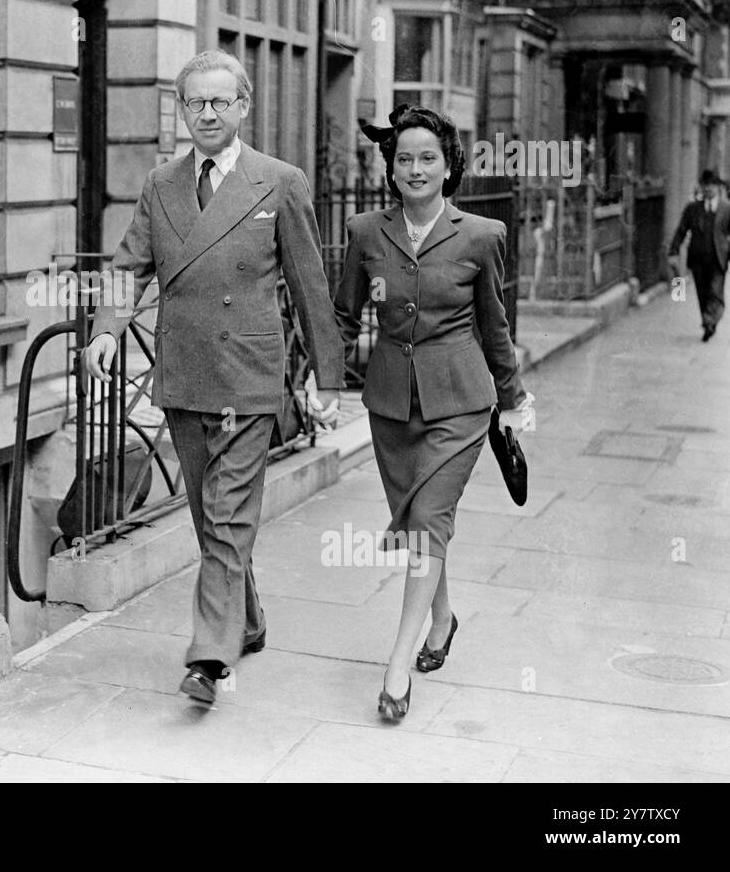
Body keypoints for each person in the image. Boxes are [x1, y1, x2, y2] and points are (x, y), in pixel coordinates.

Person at [84, 50, 344, 705]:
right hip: (183, 374)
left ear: (243, 107)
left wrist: (329, 377)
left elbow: (313, 288)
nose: (206, 113)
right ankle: (248, 622)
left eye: (220, 102)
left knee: (227, 520)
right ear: (181, 110)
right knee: (212, 521)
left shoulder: (280, 182)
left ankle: (207, 656)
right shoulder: (160, 184)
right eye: (194, 102)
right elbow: (126, 267)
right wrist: (107, 329)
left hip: (248, 377)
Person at [335, 105, 532, 721]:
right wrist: (318, 379)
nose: (415, 169)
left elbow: (495, 328)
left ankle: (397, 666)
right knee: (423, 525)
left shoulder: (480, 236)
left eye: (428, 158)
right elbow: (345, 314)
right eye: (404, 159)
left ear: (450, 168)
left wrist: (513, 400)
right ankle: (442, 617)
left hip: (461, 402)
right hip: (390, 403)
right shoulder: (366, 232)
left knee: (427, 519)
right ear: (390, 169)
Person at [667, 169, 730, 342]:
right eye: (705, 185)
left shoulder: (726, 208)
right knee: (702, 294)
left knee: (715, 292)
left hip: (718, 259)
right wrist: (673, 251)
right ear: (702, 187)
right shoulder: (692, 209)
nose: (709, 189)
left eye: (712, 185)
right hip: (698, 259)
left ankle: (710, 320)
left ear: (718, 187)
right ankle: (708, 320)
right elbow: (681, 230)